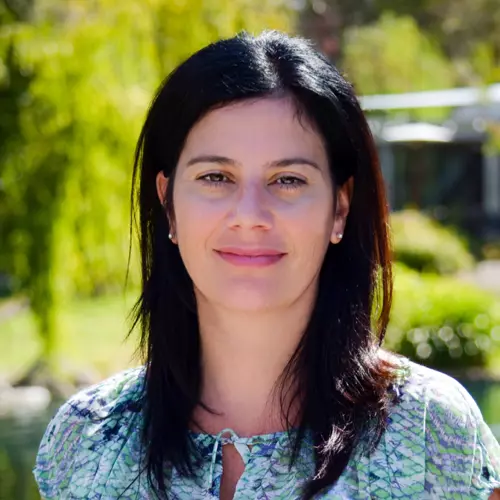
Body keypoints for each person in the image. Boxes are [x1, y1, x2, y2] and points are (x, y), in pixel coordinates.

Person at [33, 30, 500, 499]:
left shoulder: (429, 433)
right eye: (216, 177)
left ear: (339, 209)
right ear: (169, 204)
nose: (250, 216)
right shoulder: (86, 440)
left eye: (288, 180)